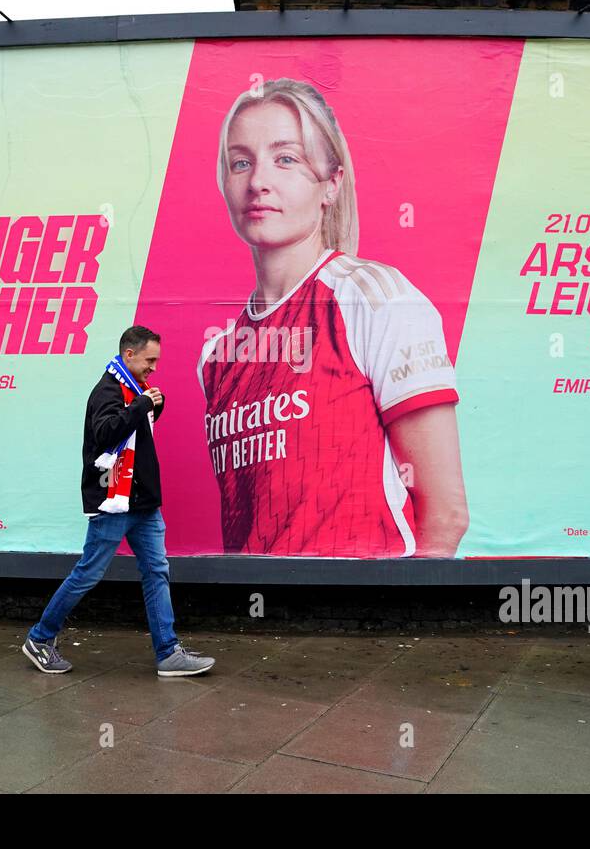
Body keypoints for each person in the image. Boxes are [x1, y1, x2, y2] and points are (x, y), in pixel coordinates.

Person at [198, 78, 469, 558]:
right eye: (241, 162)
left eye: (286, 159)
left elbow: (445, 513)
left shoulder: (376, 300)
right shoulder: (216, 355)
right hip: (259, 627)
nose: (259, 180)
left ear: (331, 183)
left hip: (364, 623)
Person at [22, 325, 215, 677]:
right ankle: (39, 639)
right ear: (129, 354)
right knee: (88, 574)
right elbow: (106, 434)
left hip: (142, 504)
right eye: (149, 359)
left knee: (156, 571)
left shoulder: (133, 388)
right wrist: (143, 404)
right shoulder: (108, 391)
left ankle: (168, 653)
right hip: (113, 502)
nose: (154, 366)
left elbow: (137, 435)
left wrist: (151, 406)